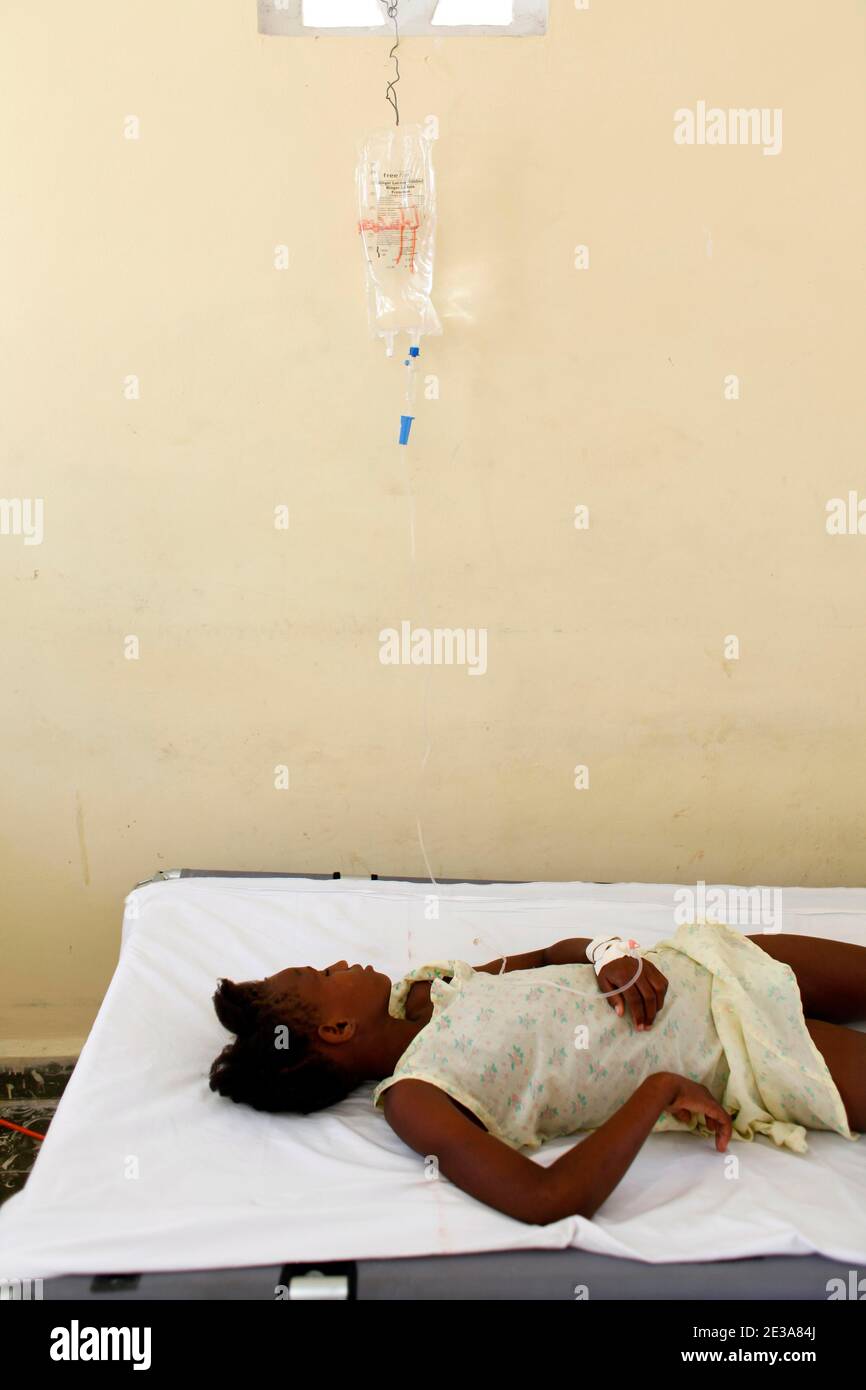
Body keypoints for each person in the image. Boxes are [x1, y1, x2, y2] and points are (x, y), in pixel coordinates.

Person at [209, 924, 864, 1224]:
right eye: (325, 976)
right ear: (336, 1030)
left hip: (707, 964)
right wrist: (657, 1091)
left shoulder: (425, 991)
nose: (344, 962)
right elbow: (545, 1200)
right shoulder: (418, 1093)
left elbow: (551, 955)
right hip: (734, 1053)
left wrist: (609, 953)